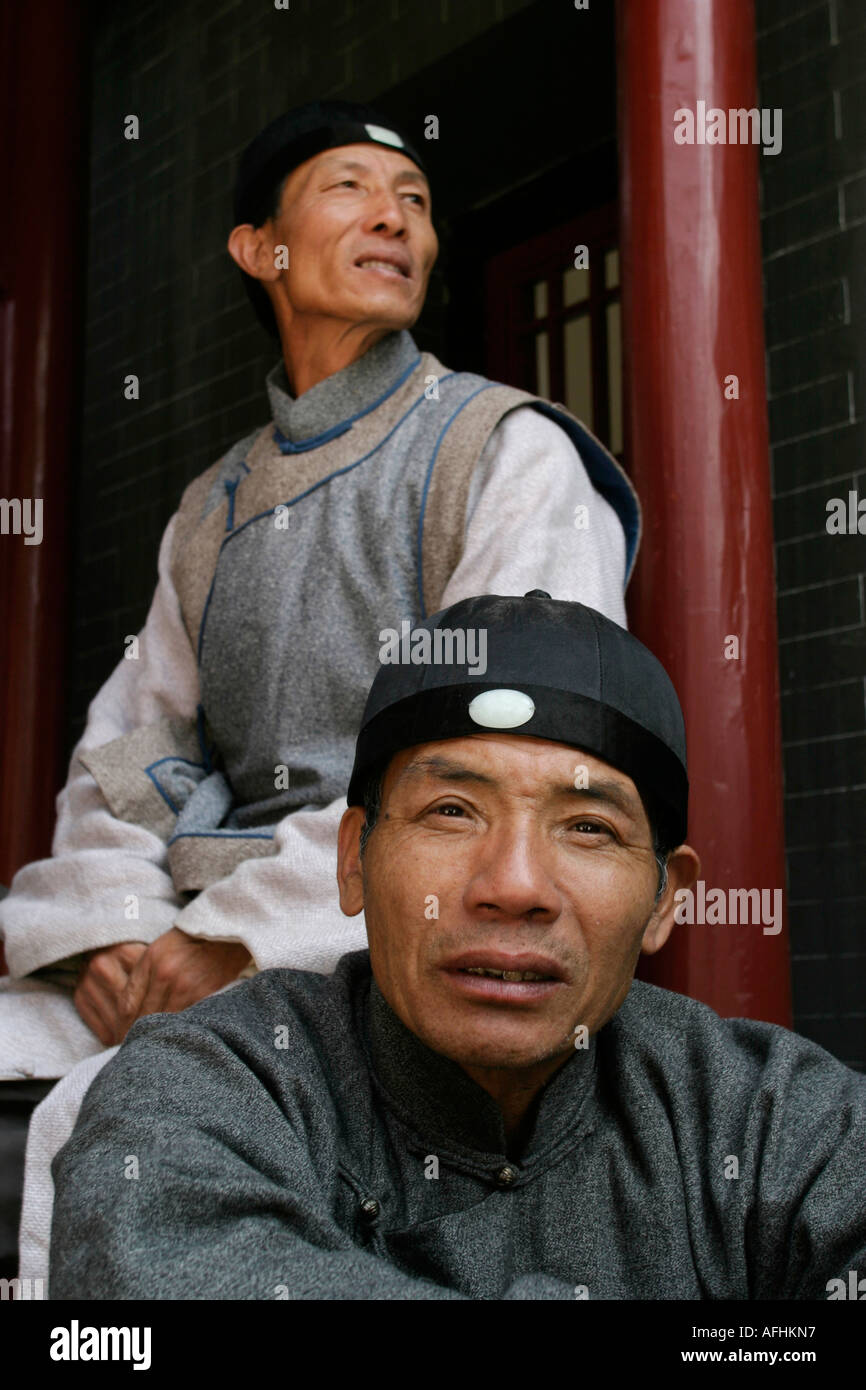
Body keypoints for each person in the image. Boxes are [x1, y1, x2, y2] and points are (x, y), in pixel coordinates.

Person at [0, 100, 639, 1277]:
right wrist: (121, 938)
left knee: (99, 1119)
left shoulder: (499, 451)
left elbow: (518, 765)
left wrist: (238, 945)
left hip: (388, 944)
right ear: (261, 249)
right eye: (351, 187)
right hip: (185, 937)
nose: (394, 216)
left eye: (415, 200)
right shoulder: (211, 512)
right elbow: (127, 757)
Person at [49, 593, 866, 1300]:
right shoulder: (212, 1082)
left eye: (588, 827)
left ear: (663, 900)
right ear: (353, 861)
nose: (513, 886)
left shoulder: (770, 1122)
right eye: (450, 811)